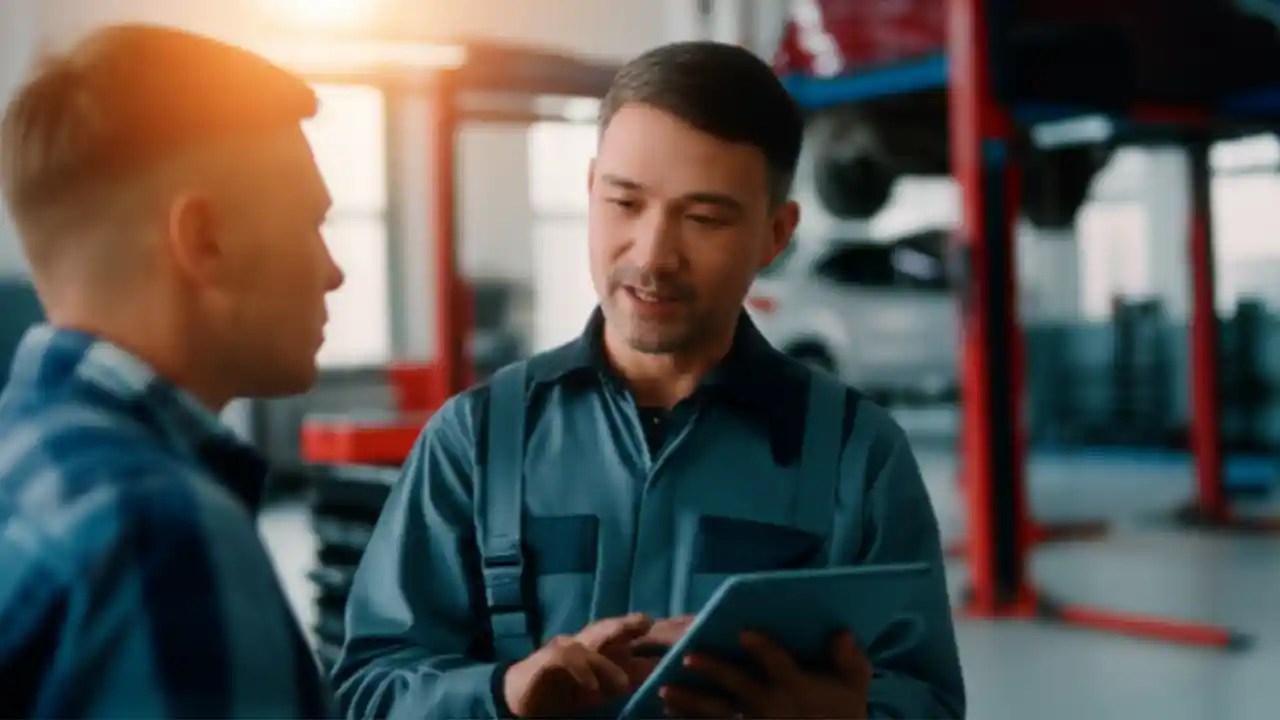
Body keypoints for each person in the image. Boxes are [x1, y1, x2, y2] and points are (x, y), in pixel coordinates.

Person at [333, 41, 964, 719]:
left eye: (703, 218)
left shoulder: (857, 458)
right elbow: (369, 691)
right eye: (625, 203)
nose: (653, 256)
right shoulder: (475, 442)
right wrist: (502, 695)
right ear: (589, 190)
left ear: (775, 235)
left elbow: (925, 701)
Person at [0, 24, 343, 717]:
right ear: (204, 239)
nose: (333, 272)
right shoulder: (158, 532)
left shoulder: (26, 460)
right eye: (310, 223)